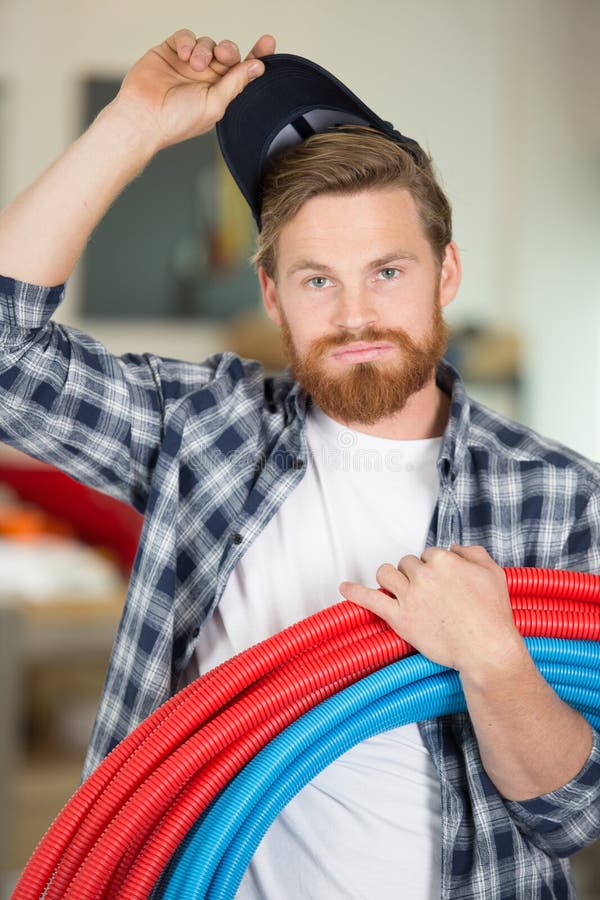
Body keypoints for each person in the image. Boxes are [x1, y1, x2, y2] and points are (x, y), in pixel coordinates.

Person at [0, 29, 599, 899]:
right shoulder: (204, 431)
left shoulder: (557, 497)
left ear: (446, 275)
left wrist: (496, 661)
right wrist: (127, 126)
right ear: (274, 296)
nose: (356, 315)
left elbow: (573, 813)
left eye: (387, 270)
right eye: (318, 280)